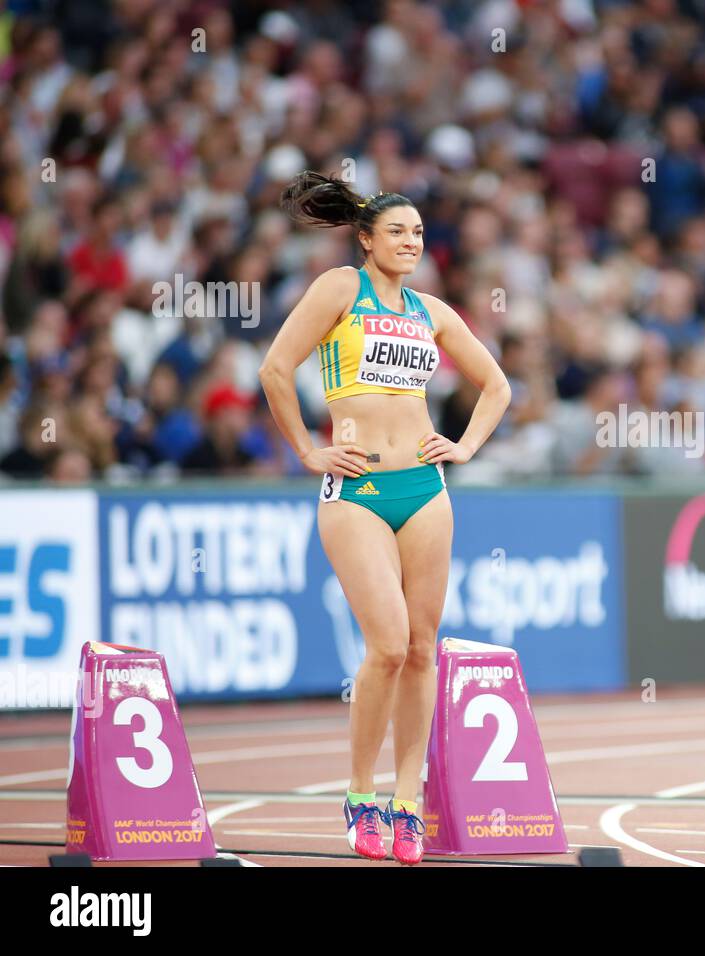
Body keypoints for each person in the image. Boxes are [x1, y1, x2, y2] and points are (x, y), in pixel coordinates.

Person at [258, 172, 510, 865]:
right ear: (365, 238)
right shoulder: (342, 288)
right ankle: (360, 793)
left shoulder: (431, 310)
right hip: (360, 491)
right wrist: (307, 449)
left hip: (426, 489)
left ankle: (407, 800)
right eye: (398, 230)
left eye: (420, 232)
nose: (412, 241)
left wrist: (465, 446)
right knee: (390, 646)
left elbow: (497, 385)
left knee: (425, 649)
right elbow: (277, 369)